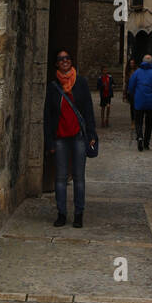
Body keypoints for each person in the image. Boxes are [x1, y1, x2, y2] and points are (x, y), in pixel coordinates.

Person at [43, 48, 97, 228]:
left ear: (71, 61)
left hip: (79, 137)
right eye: (61, 59)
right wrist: (49, 141)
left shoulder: (80, 83)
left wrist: (91, 134)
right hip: (60, 138)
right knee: (60, 177)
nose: (64, 61)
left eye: (67, 58)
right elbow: (48, 116)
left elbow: (88, 110)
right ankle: (61, 213)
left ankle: (79, 214)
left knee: (79, 177)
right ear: (57, 64)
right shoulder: (52, 87)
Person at [127, 54, 152, 151]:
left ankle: (140, 137)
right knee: (149, 123)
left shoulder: (137, 73)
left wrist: (134, 96)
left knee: (139, 121)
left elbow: (131, 86)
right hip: (150, 102)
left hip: (139, 101)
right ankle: (146, 142)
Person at [123, 56, 137, 127]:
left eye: (133, 63)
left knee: (136, 106)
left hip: (136, 90)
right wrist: (124, 93)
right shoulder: (128, 72)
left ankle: (136, 119)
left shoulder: (137, 71)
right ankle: (133, 120)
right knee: (132, 106)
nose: (132, 64)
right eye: (131, 63)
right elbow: (126, 83)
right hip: (130, 91)